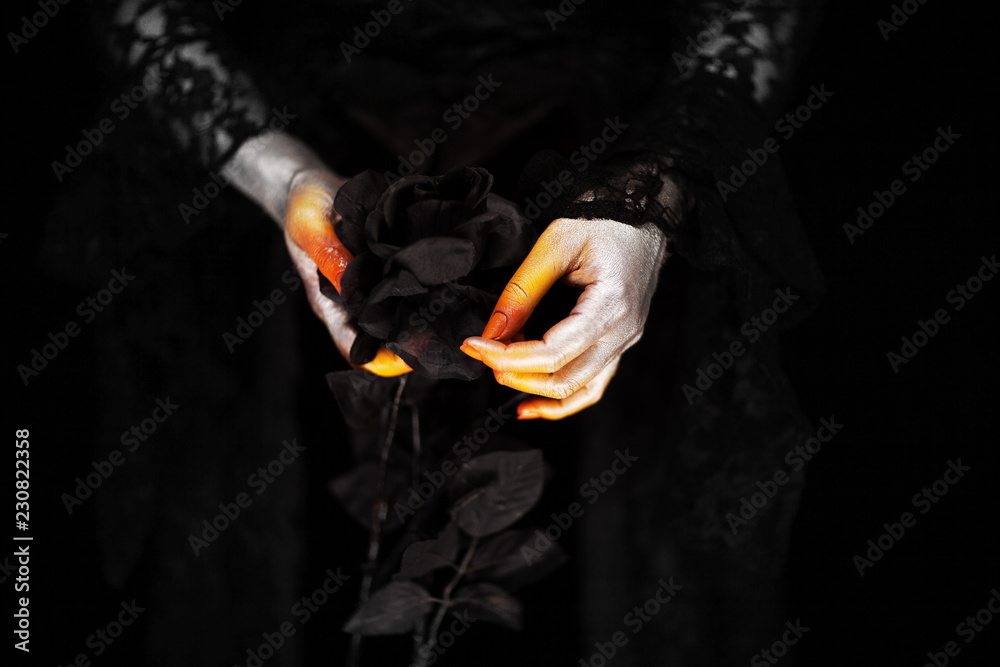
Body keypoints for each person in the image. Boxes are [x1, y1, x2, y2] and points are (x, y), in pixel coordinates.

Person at [54, 0, 824, 664]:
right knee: (294, 570)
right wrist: (279, 172)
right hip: (289, 207)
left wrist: (648, 197)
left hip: (599, 197)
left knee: (603, 583)